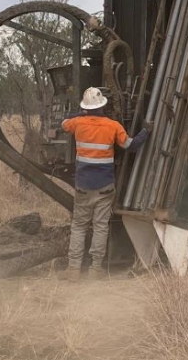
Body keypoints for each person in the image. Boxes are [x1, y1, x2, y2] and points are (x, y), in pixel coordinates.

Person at [61, 87, 147, 273]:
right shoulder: (113, 126)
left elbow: (64, 123)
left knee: (79, 226)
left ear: (85, 107)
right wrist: (146, 131)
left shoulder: (77, 123)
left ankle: (73, 269)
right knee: (100, 226)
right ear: (103, 106)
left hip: (83, 185)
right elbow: (131, 145)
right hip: (105, 186)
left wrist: (81, 113)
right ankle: (95, 269)